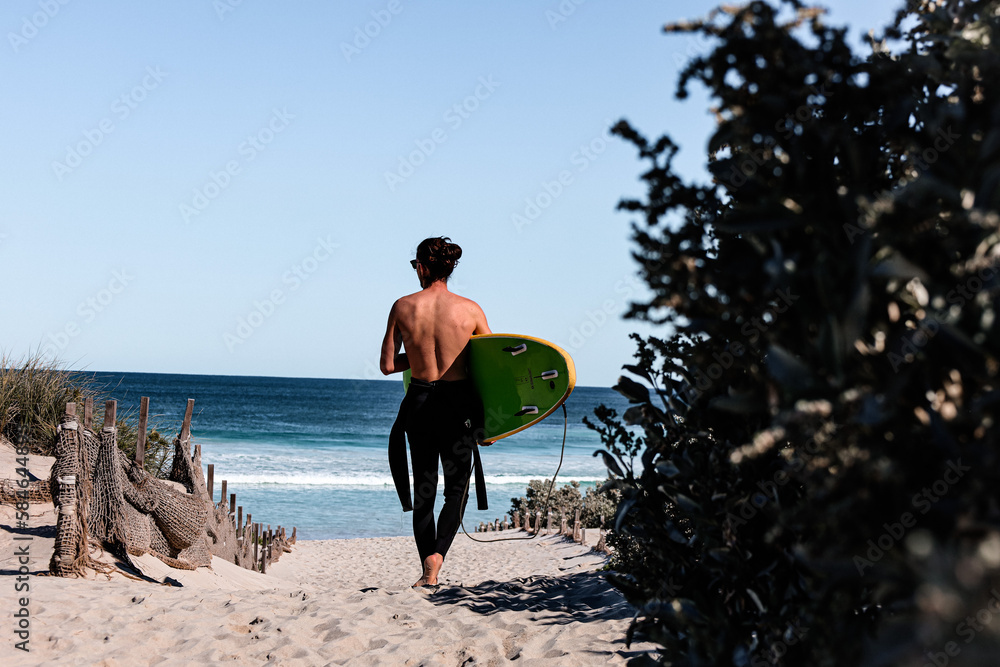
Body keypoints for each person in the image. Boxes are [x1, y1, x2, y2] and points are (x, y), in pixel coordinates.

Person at [380, 237, 492, 587]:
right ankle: (437, 557)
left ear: (424, 267)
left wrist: (416, 356)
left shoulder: (402, 307)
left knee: (424, 489)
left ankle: (425, 562)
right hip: (459, 406)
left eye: (416, 266)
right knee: (456, 491)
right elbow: (490, 363)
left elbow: (386, 365)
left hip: (420, 401)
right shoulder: (470, 309)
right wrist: (490, 420)